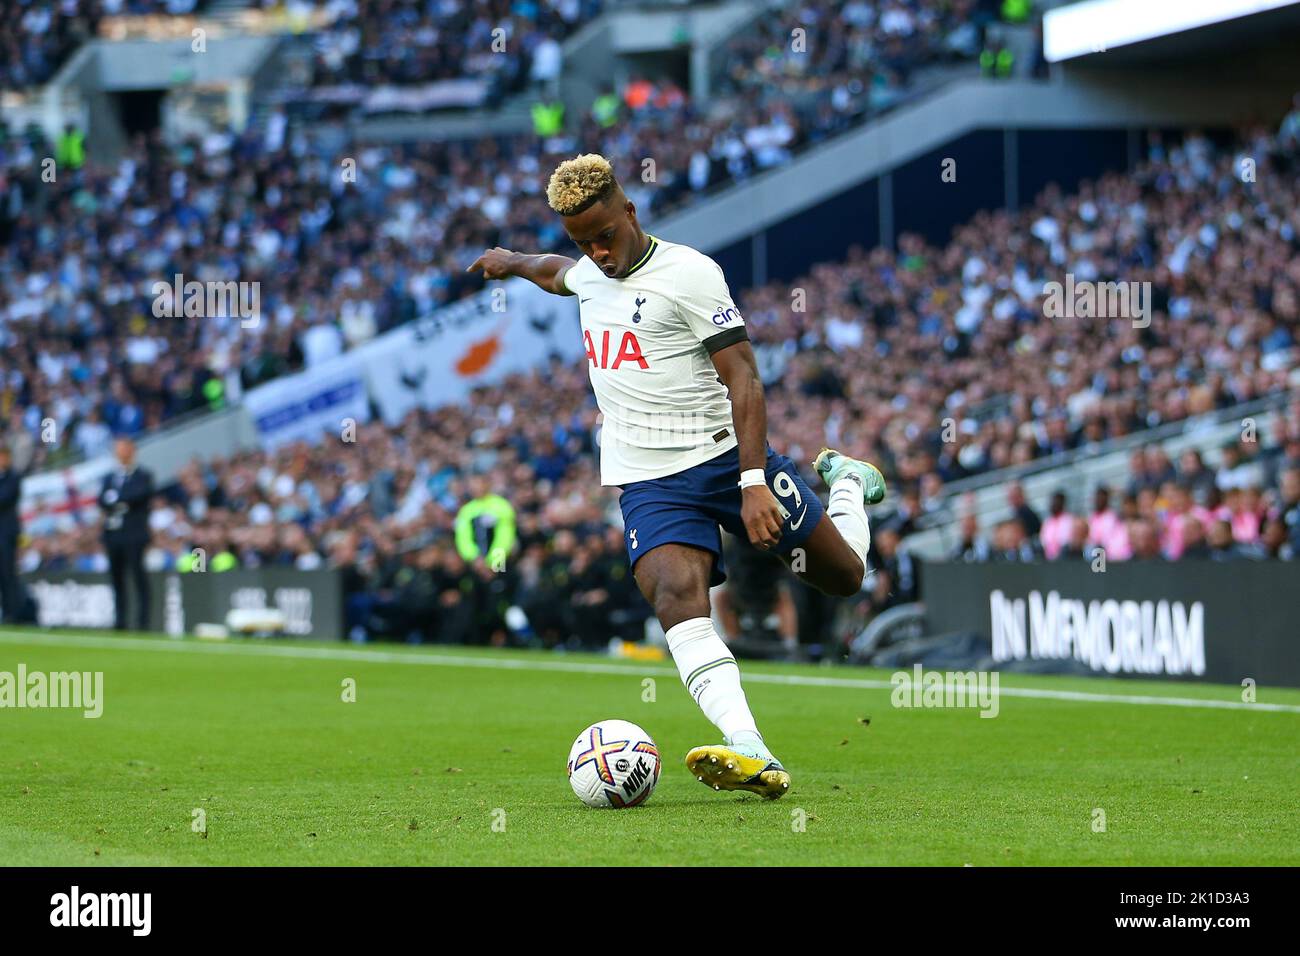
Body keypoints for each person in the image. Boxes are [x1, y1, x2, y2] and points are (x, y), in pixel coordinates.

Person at [469, 153, 883, 800]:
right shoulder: (587, 272)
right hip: (648, 479)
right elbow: (554, 272)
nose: (600, 253)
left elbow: (743, 377)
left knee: (843, 578)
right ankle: (753, 749)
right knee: (675, 601)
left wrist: (751, 484)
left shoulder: (690, 274)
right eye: (585, 243)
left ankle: (851, 483)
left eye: (607, 235)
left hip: (725, 460)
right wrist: (510, 260)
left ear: (630, 211)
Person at [99, 438, 155, 631]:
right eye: (118, 450)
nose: (120, 453)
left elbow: (138, 497)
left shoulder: (143, 475)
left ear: (132, 451)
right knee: (117, 578)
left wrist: (117, 500)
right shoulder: (109, 477)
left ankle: (143, 622)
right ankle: (120, 621)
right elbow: (102, 501)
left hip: (134, 535)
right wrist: (121, 502)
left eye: (124, 449)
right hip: (114, 534)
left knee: (138, 576)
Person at [0, 447, 23, 623]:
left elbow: (5, 498)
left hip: (6, 534)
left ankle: (12, 613)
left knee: (8, 573)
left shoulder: (13, 478)